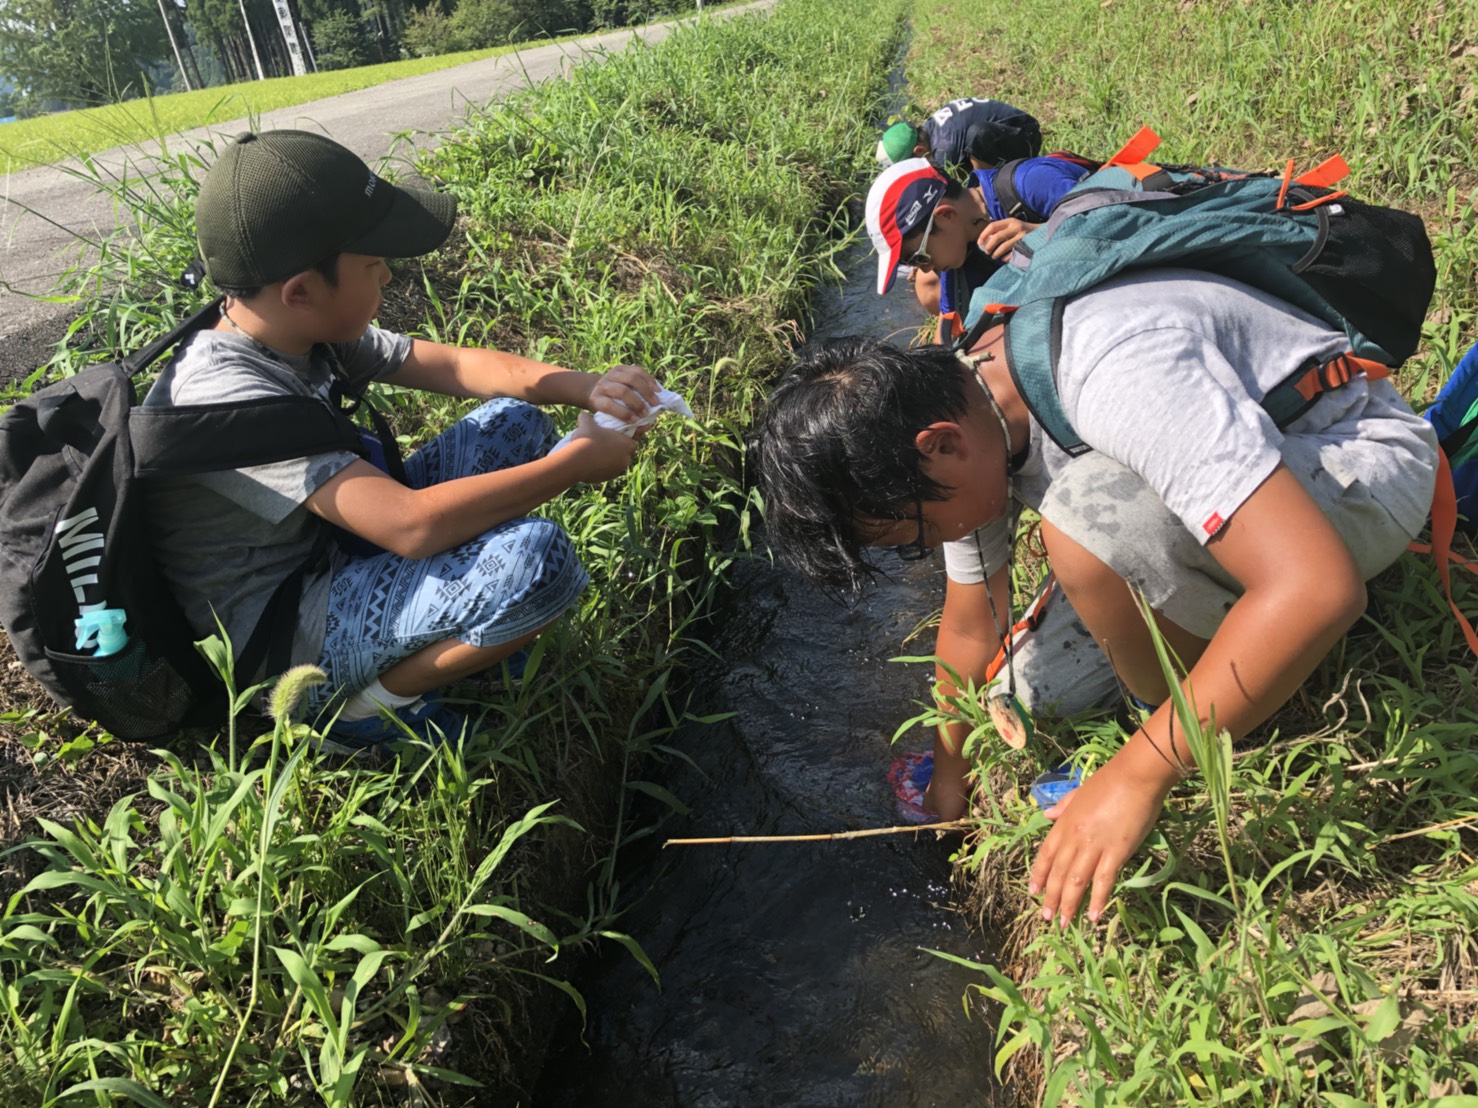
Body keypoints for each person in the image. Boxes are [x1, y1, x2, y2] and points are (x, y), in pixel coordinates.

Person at [750, 270, 1438, 926]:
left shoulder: (1116, 373)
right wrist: (949, 779)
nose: (923, 549)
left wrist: (1137, 776)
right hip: (1249, 476)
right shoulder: (958, 407)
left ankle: (1175, 717)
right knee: (1019, 695)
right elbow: (967, 625)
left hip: (1354, 460)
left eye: (911, 534)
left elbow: (1316, 586)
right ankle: (1177, 690)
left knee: (1078, 520)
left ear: (942, 446)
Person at [143, 129, 660, 746]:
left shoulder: (292, 329)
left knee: (514, 421)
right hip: (284, 632)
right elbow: (411, 527)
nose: (387, 275)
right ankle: (365, 710)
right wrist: (576, 463)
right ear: (301, 290)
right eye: (372, 264)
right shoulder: (224, 399)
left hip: (332, 548)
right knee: (536, 559)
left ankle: (465, 640)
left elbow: (456, 367)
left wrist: (589, 387)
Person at [867, 156, 1091, 340]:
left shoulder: (1032, 182)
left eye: (918, 257)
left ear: (946, 215)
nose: (925, 269)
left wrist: (1042, 233)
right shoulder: (957, 266)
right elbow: (948, 335)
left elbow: (1119, 215)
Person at [875, 97, 1042, 172]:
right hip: (1011, 131)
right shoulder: (932, 127)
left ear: (919, 151)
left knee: (968, 186)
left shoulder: (944, 146)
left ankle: (995, 188)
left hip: (1026, 139)